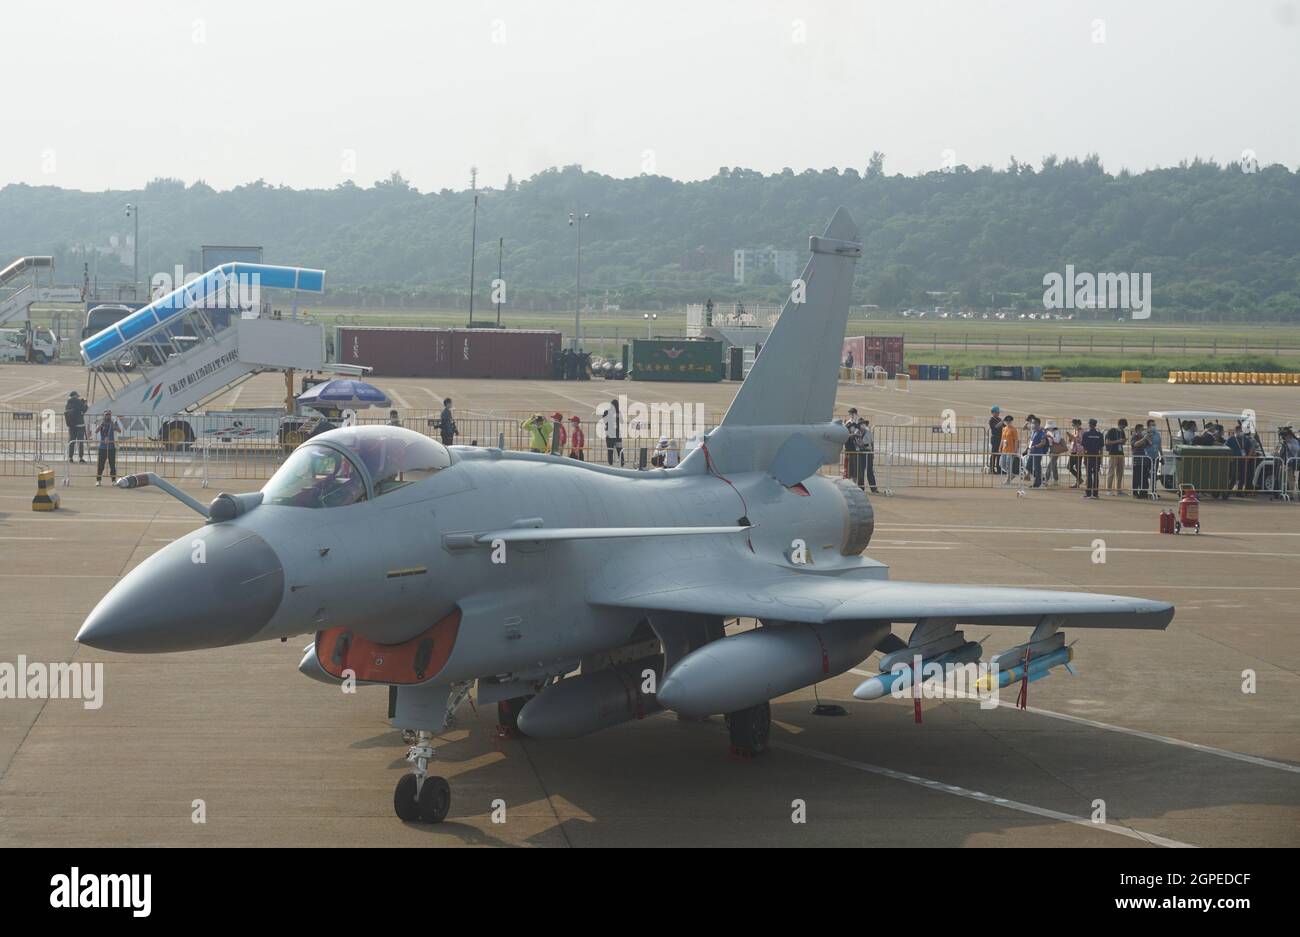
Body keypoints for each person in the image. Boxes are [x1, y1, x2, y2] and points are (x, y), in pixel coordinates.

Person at [94, 409, 124, 486]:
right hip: (102, 447)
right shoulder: (101, 422)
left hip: (111, 447)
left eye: (109, 414)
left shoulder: (113, 422)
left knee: (112, 465)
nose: (108, 416)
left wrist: (114, 425)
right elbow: (96, 431)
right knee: (101, 465)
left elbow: (119, 431)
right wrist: (101, 425)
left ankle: (113, 480)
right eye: (106, 415)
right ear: (104, 415)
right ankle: (98, 480)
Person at [1081, 418, 1105, 498]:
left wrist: (1084, 458)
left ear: (1089, 424)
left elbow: (1084, 448)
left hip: (1088, 455)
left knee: (1088, 474)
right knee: (1095, 475)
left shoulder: (1086, 434)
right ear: (1095, 425)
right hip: (1096, 456)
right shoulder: (1100, 434)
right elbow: (1101, 448)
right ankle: (1095, 493)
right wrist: (1101, 458)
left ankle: (1088, 492)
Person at [1104, 418, 1128, 495]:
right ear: (1120, 424)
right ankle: (1109, 490)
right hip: (1113, 453)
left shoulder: (1122, 432)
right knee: (1111, 472)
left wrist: (1123, 441)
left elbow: (1122, 442)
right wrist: (1118, 441)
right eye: (1123, 426)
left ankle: (1119, 490)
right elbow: (1107, 442)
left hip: (1120, 453)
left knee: (1120, 472)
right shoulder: (1112, 431)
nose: (1123, 428)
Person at [64, 391, 88, 463]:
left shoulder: (68, 403)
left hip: (71, 425)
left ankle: (70, 457)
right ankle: (81, 457)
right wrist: (85, 404)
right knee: (80, 442)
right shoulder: (78, 402)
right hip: (80, 425)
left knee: (71, 441)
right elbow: (84, 410)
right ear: (75, 395)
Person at [1129, 420, 1151, 498]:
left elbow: (1150, 444)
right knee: (1137, 477)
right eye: (1142, 429)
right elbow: (1136, 444)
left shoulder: (1144, 437)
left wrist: (1147, 438)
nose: (1143, 431)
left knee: (1144, 477)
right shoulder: (1134, 436)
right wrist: (1144, 438)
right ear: (1138, 430)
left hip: (1145, 460)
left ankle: (1143, 492)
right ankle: (1135, 493)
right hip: (1137, 460)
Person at [859, 417, 878, 493]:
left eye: (863, 424)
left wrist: (872, 453)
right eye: (861, 424)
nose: (862, 425)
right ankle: (861, 488)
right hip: (860, 453)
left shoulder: (868, 432)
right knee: (861, 471)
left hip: (868, 452)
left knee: (870, 471)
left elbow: (871, 443)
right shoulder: (857, 432)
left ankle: (873, 488)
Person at [1027, 418, 1048, 488]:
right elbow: (1031, 441)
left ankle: (1037, 483)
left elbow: (1043, 442)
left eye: (1034, 423)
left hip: (1038, 452)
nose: (1032, 425)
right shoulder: (1033, 432)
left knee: (1037, 467)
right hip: (1032, 452)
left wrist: (1035, 446)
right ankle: (1039, 478)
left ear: (1038, 424)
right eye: (1032, 423)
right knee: (1028, 466)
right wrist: (1028, 448)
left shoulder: (1041, 432)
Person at [998, 415, 1019, 484]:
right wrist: (1000, 447)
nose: (1008, 422)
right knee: (1002, 464)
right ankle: (1011, 474)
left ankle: (1008, 479)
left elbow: (1016, 440)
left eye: (1009, 421)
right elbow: (1002, 438)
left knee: (1008, 464)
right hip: (1004, 449)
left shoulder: (1013, 429)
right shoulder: (1004, 428)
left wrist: (1015, 450)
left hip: (1011, 449)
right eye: (1007, 421)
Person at [603, 398, 624, 467]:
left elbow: (604, 420)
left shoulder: (608, 412)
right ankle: (621, 462)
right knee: (619, 449)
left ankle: (611, 463)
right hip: (616, 435)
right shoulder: (617, 413)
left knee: (611, 450)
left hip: (611, 435)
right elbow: (622, 421)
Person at [1144, 419, 1163, 493]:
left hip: (1155, 457)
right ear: (1148, 426)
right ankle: (1144, 490)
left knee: (1154, 474)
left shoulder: (1157, 434)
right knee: (1145, 473)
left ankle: (1153, 490)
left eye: (1154, 425)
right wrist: (1149, 435)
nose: (1154, 426)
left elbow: (1159, 446)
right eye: (1152, 425)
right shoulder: (1145, 433)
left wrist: (1161, 456)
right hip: (1147, 456)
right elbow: (1148, 443)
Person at [1044, 420, 1064, 486]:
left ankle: (1046, 480)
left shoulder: (1056, 432)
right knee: (1054, 465)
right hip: (1051, 450)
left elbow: (1057, 440)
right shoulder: (1048, 432)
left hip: (1056, 450)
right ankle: (1056, 480)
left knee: (1050, 465)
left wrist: (1050, 437)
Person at [1066, 418, 1084, 488]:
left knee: (1078, 467)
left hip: (1079, 451)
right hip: (1073, 450)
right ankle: (1079, 479)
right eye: (1072, 425)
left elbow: (1081, 441)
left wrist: (1073, 438)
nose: (1073, 426)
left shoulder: (1082, 432)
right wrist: (1070, 438)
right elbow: (1072, 440)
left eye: (1074, 425)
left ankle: (1078, 482)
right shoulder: (1074, 431)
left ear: (1078, 425)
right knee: (1069, 466)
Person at [987, 406, 1003, 473]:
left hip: (1000, 438)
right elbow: (995, 427)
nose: (998, 413)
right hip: (995, 439)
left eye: (998, 412)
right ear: (993, 413)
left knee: (999, 454)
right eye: (997, 412)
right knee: (994, 454)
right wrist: (1002, 422)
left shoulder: (999, 419)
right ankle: (992, 468)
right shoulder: (992, 420)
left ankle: (999, 468)